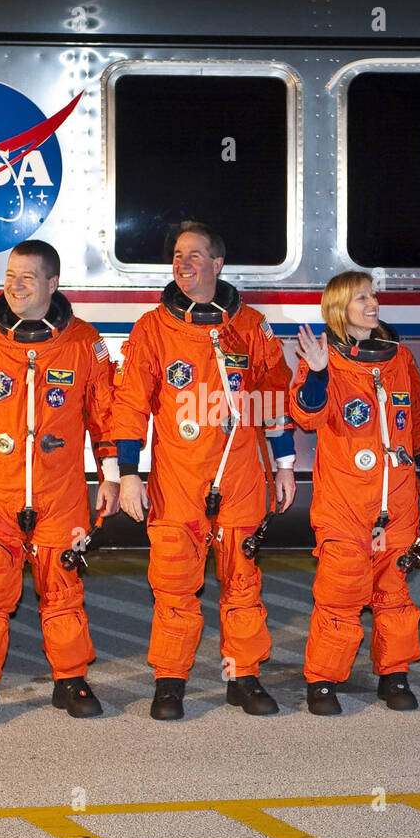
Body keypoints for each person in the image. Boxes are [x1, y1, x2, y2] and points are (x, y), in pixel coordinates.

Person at [0, 240, 119, 724]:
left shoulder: (84, 344)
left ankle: (70, 680)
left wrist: (112, 477)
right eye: (10, 275)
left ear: (53, 284)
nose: (15, 285)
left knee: (63, 593)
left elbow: (107, 418)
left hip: (60, 497)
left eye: (27, 277)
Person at [112, 221, 296, 720]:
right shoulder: (153, 328)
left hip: (240, 477)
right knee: (173, 583)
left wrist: (284, 465)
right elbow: (129, 406)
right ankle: (170, 682)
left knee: (243, 581)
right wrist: (128, 472)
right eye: (177, 255)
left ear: (218, 264)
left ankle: (245, 677)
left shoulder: (251, 327)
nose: (183, 263)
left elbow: (272, 399)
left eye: (195, 255)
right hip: (178, 481)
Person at [288, 270, 420, 715]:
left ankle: (394, 674)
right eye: (361, 298)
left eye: (373, 295)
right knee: (339, 594)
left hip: (395, 501)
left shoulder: (398, 359)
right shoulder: (325, 361)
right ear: (340, 308)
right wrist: (318, 375)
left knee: (393, 593)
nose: (372, 303)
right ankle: (322, 682)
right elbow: (306, 415)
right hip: (345, 502)